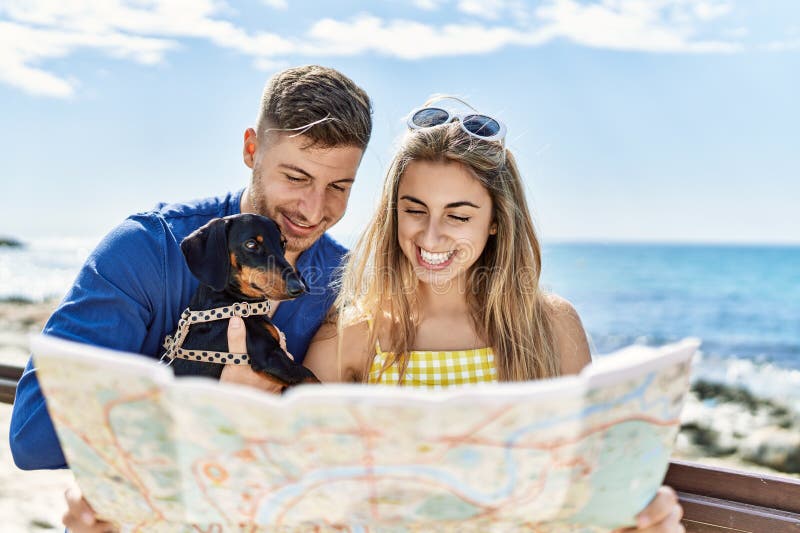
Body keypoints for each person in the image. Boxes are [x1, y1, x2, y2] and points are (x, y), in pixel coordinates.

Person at [8, 64, 372, 528]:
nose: (314, 210)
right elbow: (33, 434)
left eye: (339, 186)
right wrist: (207, 409)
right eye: (296, 177)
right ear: (251, 148)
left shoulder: (349, 281)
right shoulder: (146, 250)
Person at [297, 99, 685, 532]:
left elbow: (584, 492)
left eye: (458, 215)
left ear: (496, 220)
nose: (431, 235)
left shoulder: (551, 327)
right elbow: (303, 493)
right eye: (414, 210)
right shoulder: (350, 334)